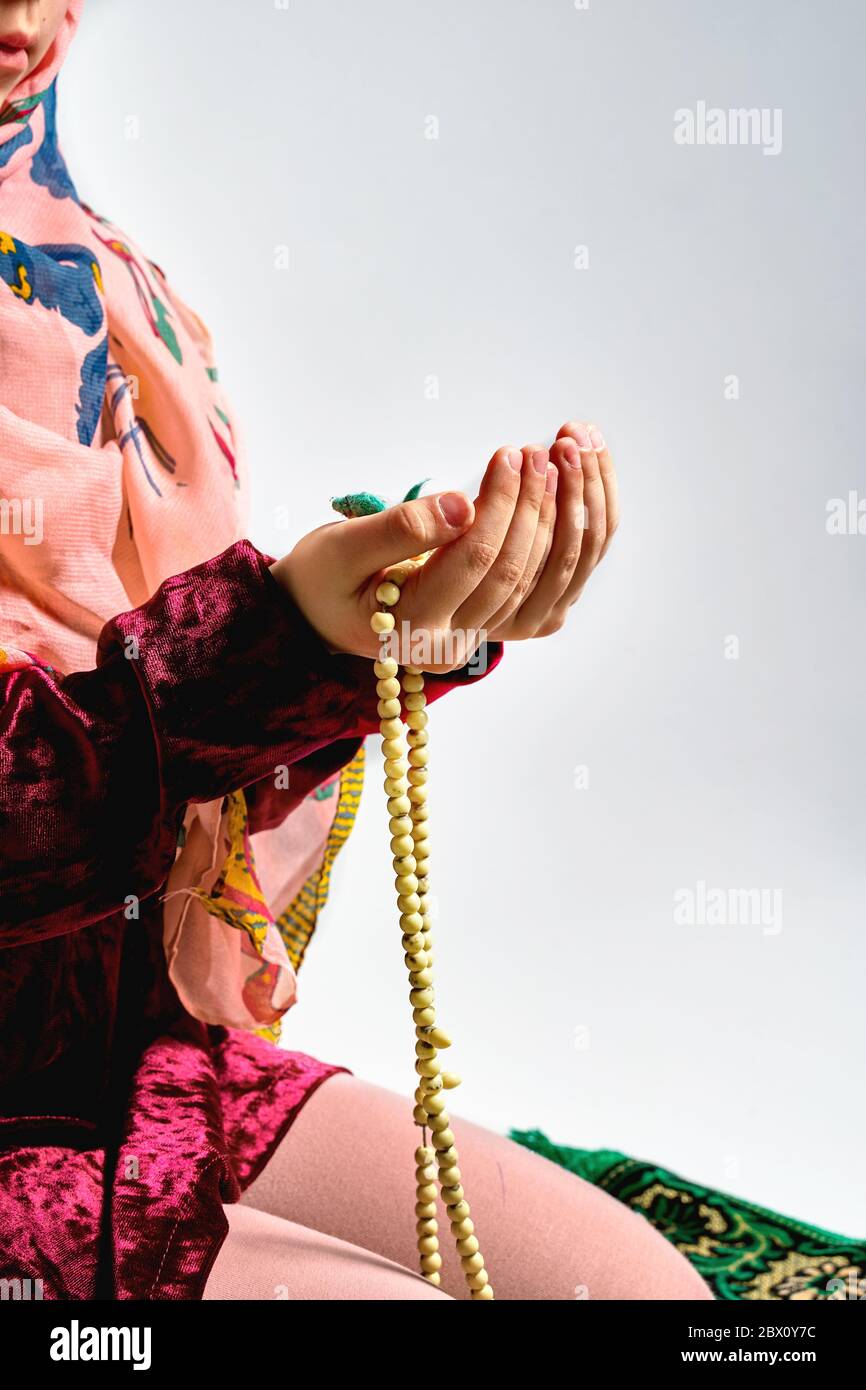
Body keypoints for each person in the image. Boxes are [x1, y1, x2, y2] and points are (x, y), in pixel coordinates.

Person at [0, 1, 711, 1301]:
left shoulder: (121, 307)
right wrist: (274, 641)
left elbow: (167, 780)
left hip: (125, 1067)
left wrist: (392, 626)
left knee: (649, 1299)